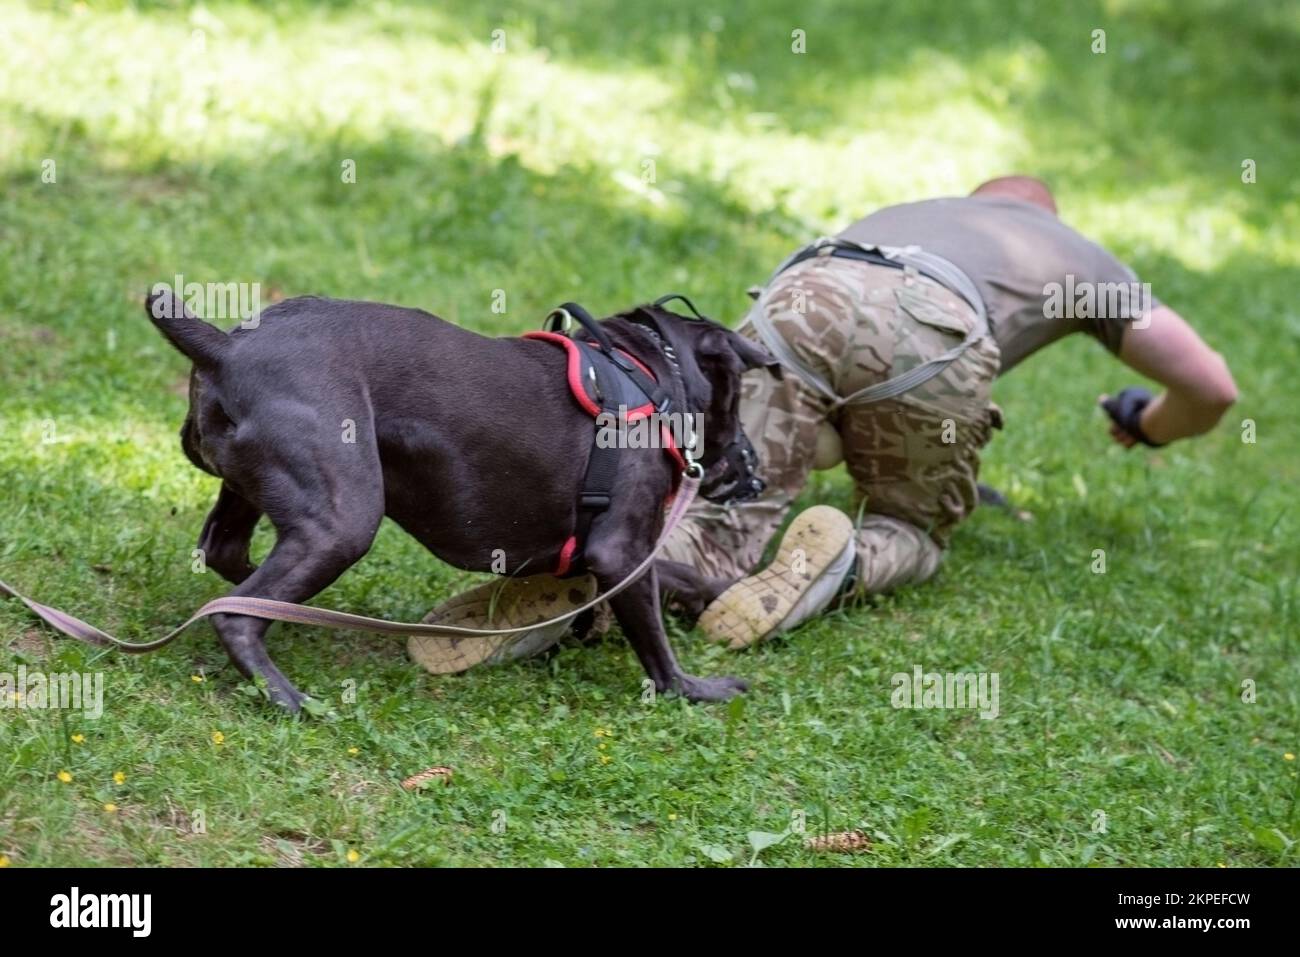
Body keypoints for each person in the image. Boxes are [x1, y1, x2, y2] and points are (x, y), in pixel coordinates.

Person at [660, 175, 1239, 648]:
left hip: (802, 298)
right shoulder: (1077, 257)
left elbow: (851, 324)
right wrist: (1147, 426)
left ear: (976, 199)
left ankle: (599, 579)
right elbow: (1211, 389)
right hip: (931, 328)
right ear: (1052, 217)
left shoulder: (914, 210)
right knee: (910, 528)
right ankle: (844, 560)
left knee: (719, 516)